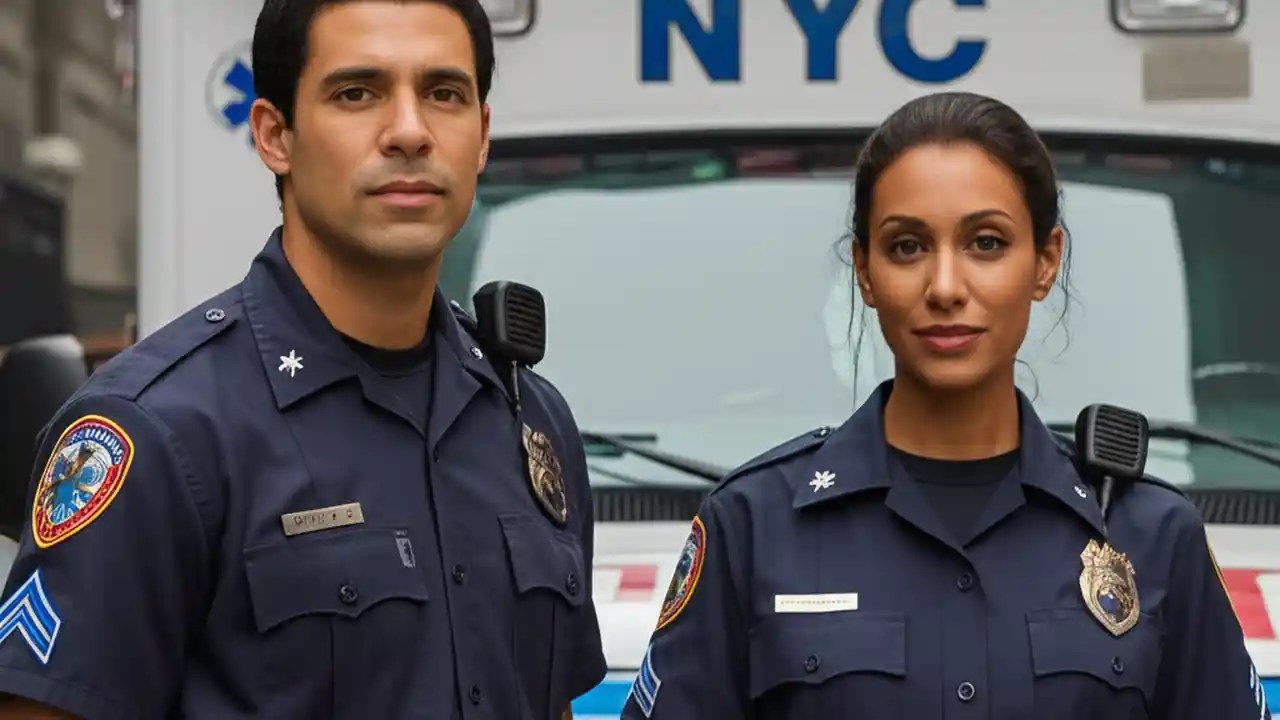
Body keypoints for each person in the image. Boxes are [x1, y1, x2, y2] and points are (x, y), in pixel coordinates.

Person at [0, 1, 606, 718]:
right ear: (274, 135)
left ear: (481, 136)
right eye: (358, 92)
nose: (410, 131)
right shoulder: (160, 431)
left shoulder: (527, 419)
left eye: (444, 93)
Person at [621, 91, 1271, 720]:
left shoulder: (1152, 535)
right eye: (907, 246)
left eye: (985, 243)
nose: (945, 287)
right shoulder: (753, 527)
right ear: (866, 272)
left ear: (1046, 261)